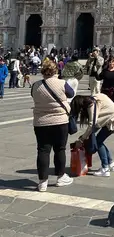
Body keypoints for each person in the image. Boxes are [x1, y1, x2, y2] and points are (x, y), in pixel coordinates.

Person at [31, 60, 74, 192]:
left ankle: (42, 182)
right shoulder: (62, 83)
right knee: (60, 149)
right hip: (60, 121)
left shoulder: (36, 85)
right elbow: (71, 94)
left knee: (43, 150)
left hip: (41, 122)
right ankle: (61, 177)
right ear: (56, 70)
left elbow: (33, 95)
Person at [71, 93, 114, 177]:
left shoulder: (91, 105)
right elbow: (97, 122)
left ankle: (105, 168)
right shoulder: (96, 97)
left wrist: (82, 139)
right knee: (99, 141)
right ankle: (111, 164)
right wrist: (85, 136)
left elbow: (92, 124)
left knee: (98, 142)